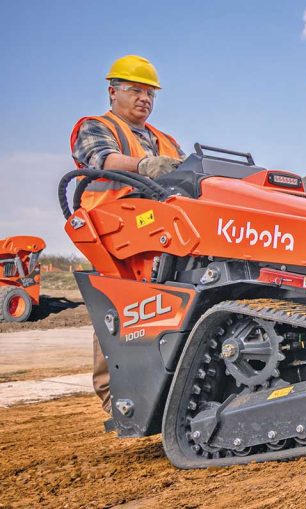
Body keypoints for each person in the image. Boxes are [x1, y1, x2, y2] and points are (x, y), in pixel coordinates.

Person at [70, 55, 184, 414]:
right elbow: (100, 159)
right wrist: (143, 165)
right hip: (115, 232)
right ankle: (114, 394)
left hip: (162, 231)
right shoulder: (97, 126)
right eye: (135, 90)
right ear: (112, 92)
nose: (144, 99)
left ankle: (168, 390)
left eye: (150, 93)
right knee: (119, 307)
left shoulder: (164, 139)